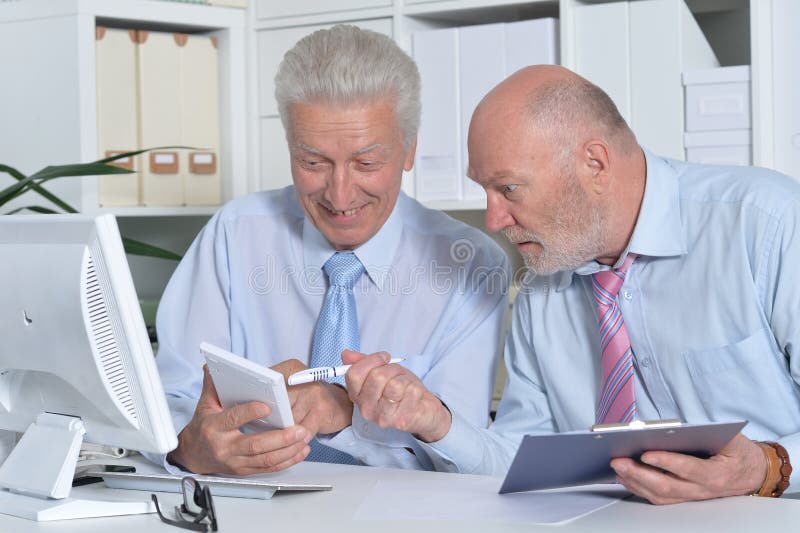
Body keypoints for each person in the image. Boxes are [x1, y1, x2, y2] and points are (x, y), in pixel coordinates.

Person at [343, 65, 798, 504]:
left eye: (509, 189)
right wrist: (435, 422)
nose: (494, 219)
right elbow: (524, 464)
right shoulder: (543, 287)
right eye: (487, 191)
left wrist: (767, 466)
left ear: (594, 164)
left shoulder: (767, 227)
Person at [149, 24, 509, 475]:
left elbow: (463, 456)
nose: (339, 196)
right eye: (313, 162)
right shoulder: (235, 234)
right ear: (289, 148)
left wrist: (349, 415)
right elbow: (166, 399)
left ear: (410, 150)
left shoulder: (471, 266)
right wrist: (189, 448)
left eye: (366, 163)